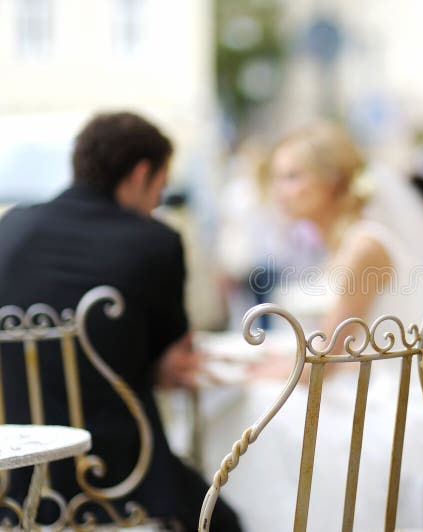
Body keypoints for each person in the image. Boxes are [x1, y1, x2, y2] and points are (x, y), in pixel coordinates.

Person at [201, 121, 423, 531]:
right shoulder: (346, 240)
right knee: (248, 403)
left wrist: (257, 370)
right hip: (373, 385)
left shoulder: (364, 246)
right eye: (279, 177)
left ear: (332, 180)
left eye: (294, 176)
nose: (281, 190)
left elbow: (327, 360)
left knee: (250, 407)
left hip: (408, 407)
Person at [0, 112, 241, 531]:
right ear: (141, 173)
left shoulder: (11, 227)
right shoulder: (155, 241)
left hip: (21, 480)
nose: (156, 204)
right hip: (123, 479)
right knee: (225, 521)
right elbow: (173, 366)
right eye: (160, 190)